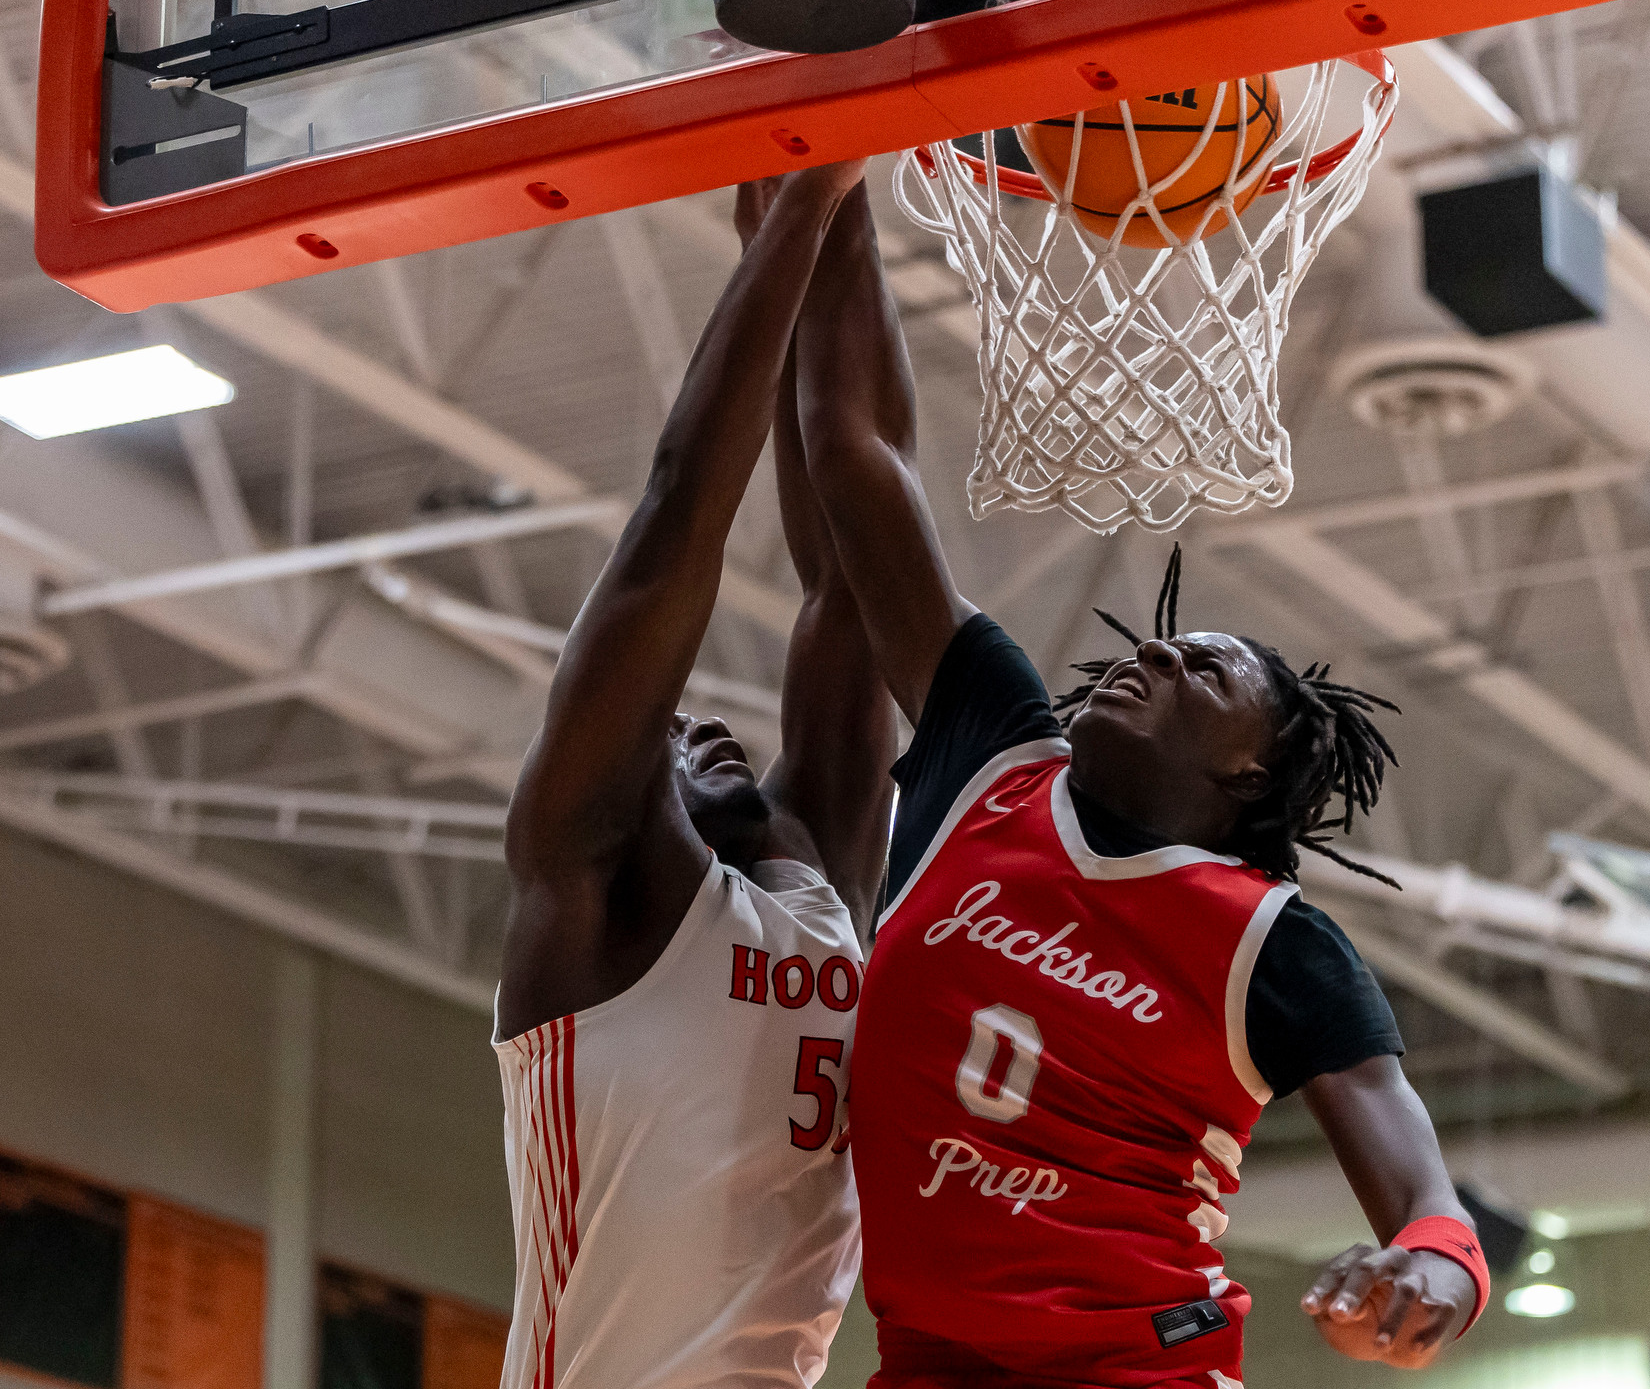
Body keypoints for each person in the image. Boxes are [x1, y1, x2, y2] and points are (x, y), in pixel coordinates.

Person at [788, 166, 1491, 1388]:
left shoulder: (1266, 939)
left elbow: (1427, 1203)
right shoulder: (993, 758)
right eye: (1160, 645)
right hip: (929, 1360)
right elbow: (856, 457)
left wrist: (1428, 1273)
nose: (1154, 653)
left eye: (1202, 669)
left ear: (1246, 768)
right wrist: (833, 172)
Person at [493, 163, 892, 1389]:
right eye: (669, 727)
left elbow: (852, 574)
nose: (701, 717)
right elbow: (678, 520)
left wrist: (838, 211)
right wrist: (805, 209)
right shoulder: (587, 892)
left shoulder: (814, 890)